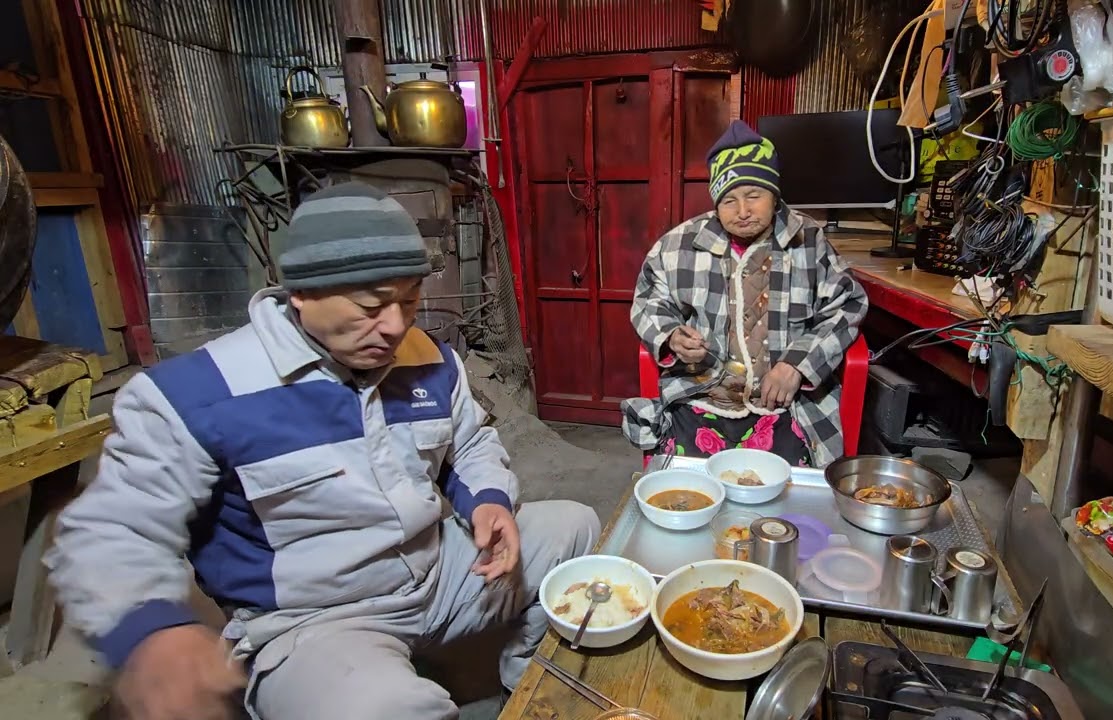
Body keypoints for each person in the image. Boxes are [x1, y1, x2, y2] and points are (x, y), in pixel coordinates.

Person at [45, 182, 600, 720]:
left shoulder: (428, 357)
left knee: (574, 530)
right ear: (301, 293)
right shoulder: (199, 395)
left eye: (409, 300)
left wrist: (489, 500)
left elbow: (470, 441)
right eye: (370, 306)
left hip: (437, 576)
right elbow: (110, 530)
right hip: (317, 621)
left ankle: (528, 694)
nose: (394, 326)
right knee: (391, 710)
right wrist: (150, 632)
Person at [623, 120, 868, 468]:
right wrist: (671, 335)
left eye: (754, 196)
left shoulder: (808, 241)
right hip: (700, 394)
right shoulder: (680, 245)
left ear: (774, 195)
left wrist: (797, 365)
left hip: (786, 404)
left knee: (786, 488)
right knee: (686, 484)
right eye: (729, 200)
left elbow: (847, 306)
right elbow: (649, 299)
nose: (742, 212)